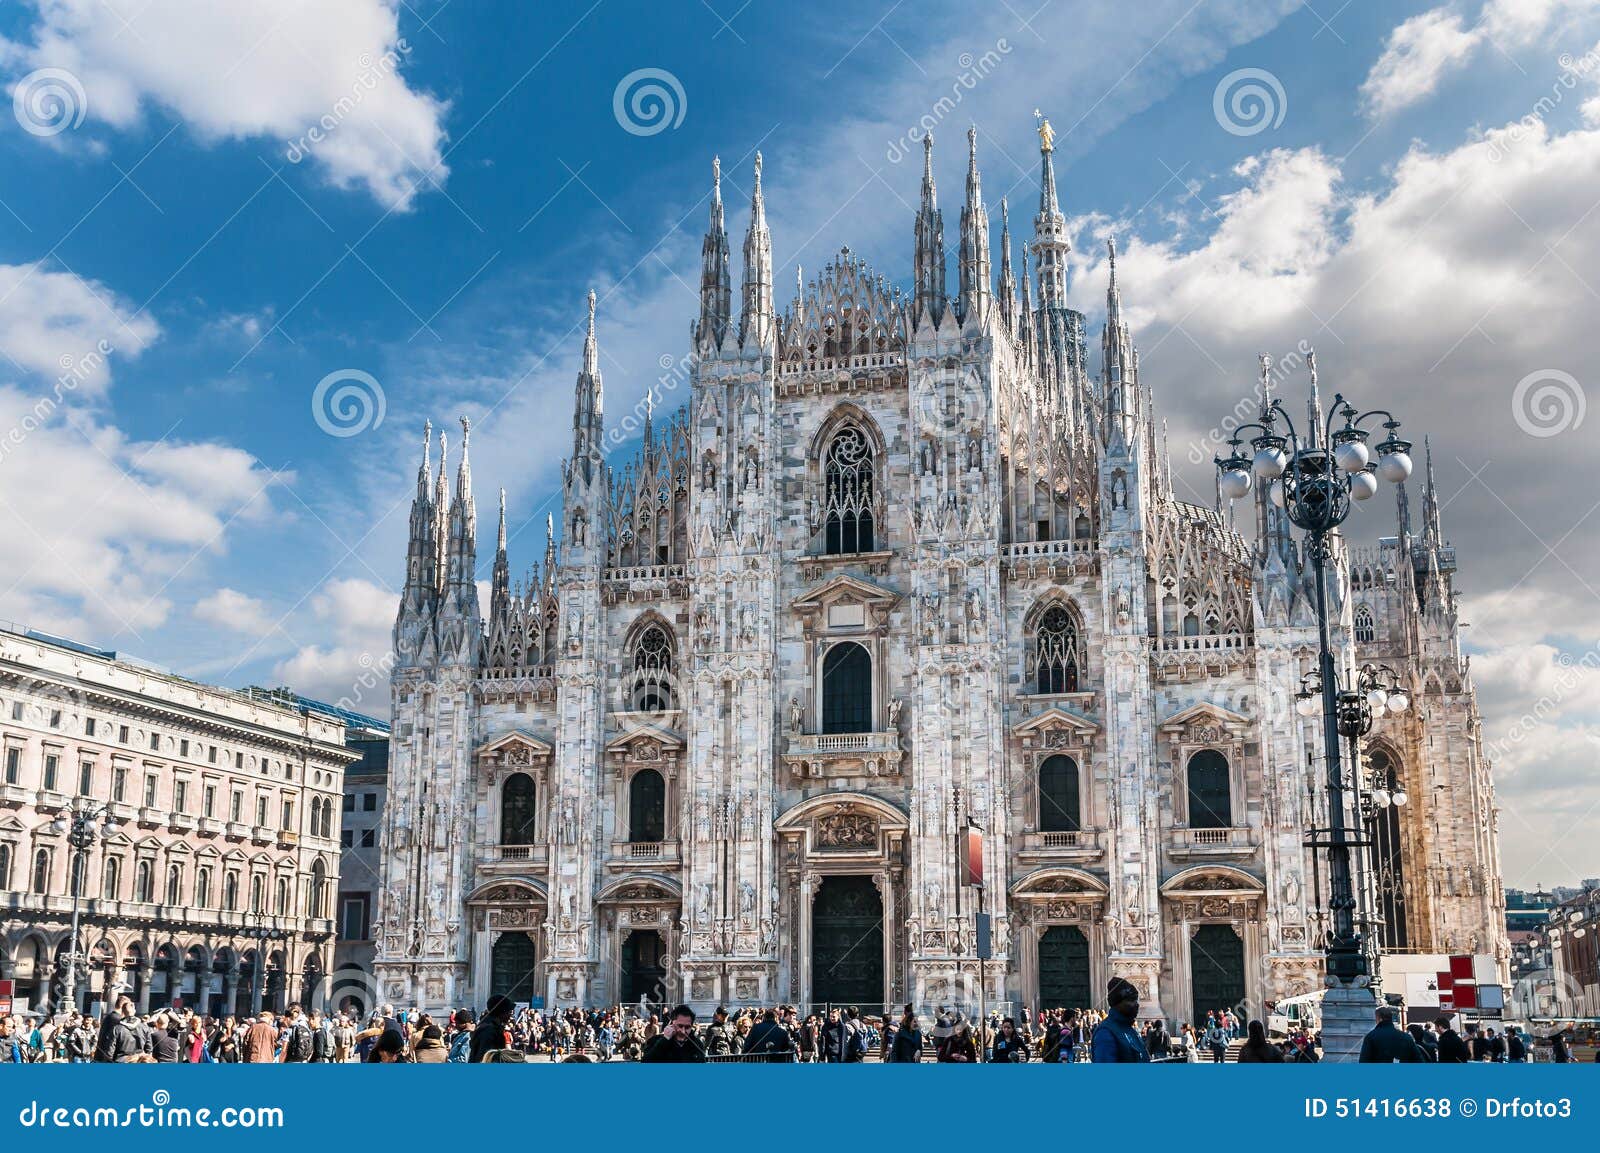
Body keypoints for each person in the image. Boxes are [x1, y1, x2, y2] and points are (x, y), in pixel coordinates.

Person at [1091, 978, 1150, 1063]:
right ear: (1117, 1003)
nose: (1136, 1004)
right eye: (1131, 1000)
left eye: (1136, 1000)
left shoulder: (1130, 1030)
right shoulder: (1105, 1033)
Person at [641, 1005, 706, 1063]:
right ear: (672, 1024)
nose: (683, 1031)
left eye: (687, 1027)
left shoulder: (697, 1044)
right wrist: (664, 1041)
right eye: (680, 1026)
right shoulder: (655, 1041)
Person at [470, 996, 513, 1063]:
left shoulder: (491, 1027)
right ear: (501, 1012)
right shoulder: (489, 1030)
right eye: (509, 1011)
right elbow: (485, 1057)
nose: (511, 1015)